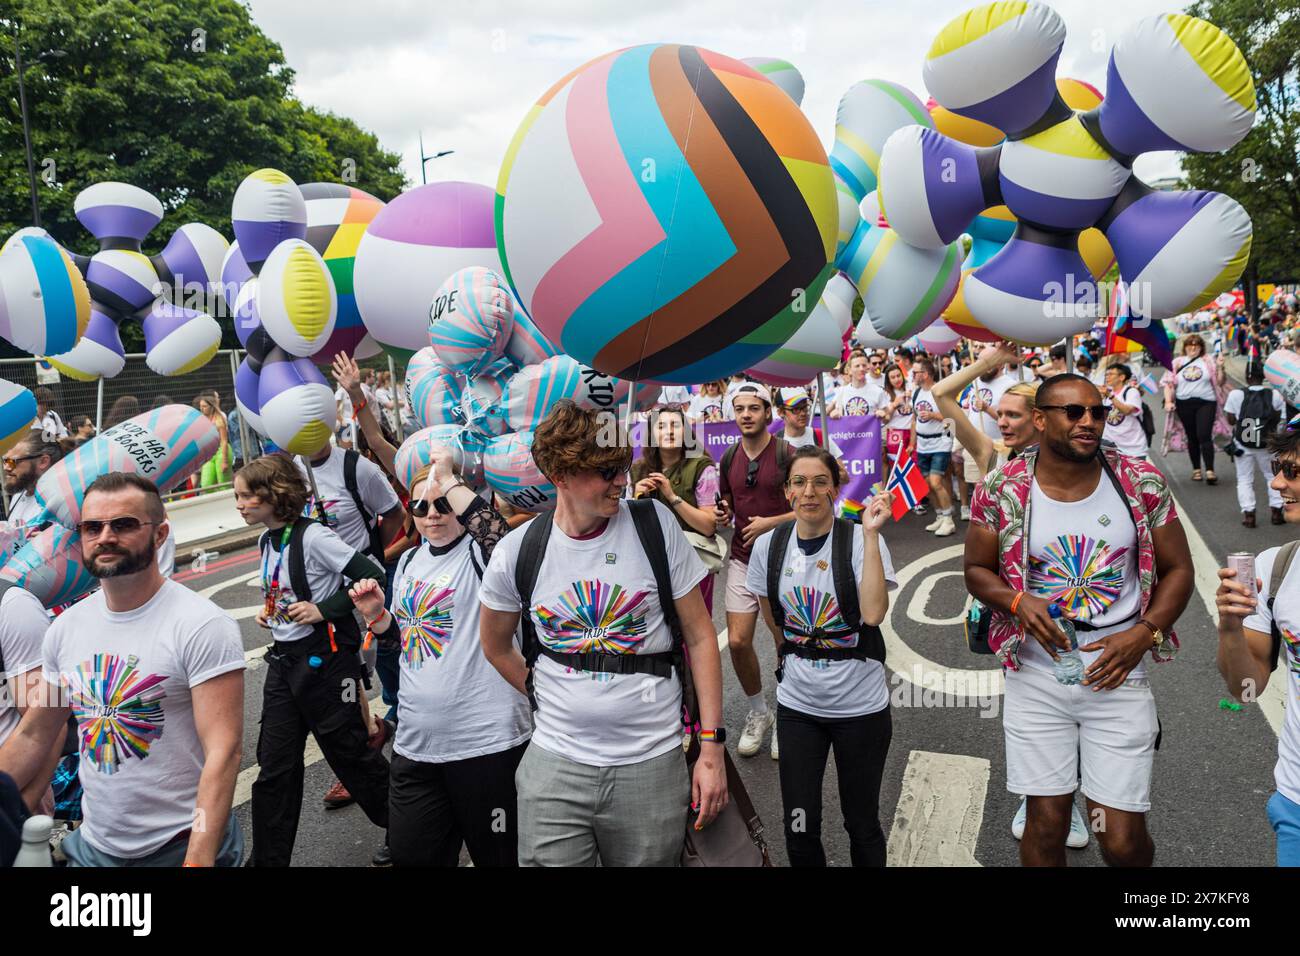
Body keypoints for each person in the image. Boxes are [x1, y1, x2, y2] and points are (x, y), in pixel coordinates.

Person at [479, 400, 728, 866]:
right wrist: (544, 694)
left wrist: (711, 748)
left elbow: (699, 637)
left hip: (650, 765)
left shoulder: (655, 527)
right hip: (554, 767)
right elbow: (494, 645)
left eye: (622, 466)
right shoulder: (518, 551)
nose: (622, 481)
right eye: (605, 471)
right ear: (561, 475)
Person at [965, 373, 1194, 867]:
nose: (1089, 421)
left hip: (1118, 673)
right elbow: (976, 570)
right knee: (1046, 827)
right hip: (1037, 676)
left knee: (1121, 840)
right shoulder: (1001, 488)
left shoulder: (1140, 481)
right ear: (1042, 419)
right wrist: (1015, 601)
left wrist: (1144, 633)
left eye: (1097, 412)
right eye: (1074, 412)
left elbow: (1180, 569)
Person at [0, 472, 245, 866]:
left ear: (160, 534)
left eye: (124, 524)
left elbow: (225, 752)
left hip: (180, 845)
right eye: (92, 527)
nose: (105, 537)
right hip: (95, 849)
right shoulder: (63, 630)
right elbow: (35, 733)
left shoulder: (202, 625)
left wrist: (199, 856)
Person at [349, 447, 528, 867]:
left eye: (444, 503)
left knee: (500, 859)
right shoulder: (409, 561)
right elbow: (414, 645)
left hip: (486, 746)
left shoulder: (482, 556)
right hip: (417, 748)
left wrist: (447, 478)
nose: (432, 513)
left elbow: (496, 534)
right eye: (421, 505)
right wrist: (380, 620)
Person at [235, 454, 390, 867]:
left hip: (325, 662)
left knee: (351, 756)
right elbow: (281, 589)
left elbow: (372, 574)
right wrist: (267, 612)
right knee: (275, 767)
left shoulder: (315, 536)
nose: (239, 504)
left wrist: (325, 609)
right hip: (284, 663)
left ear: (274, 495)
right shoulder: (266, 540)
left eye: (246, 496)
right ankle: (268, 861)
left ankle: (408, 827)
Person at [748, 447, 896, 866]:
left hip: (861, 709)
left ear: (835, 488)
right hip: (798, 708)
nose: (809, 491)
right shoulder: (769, 547)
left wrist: (869, 533)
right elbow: (772, 617)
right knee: (798, 822)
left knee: (862, 821)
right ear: (786, 490)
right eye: (799, 482)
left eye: (819, 481)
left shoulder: (859, 539)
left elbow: (872, 614)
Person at [1215, 423, 1300, 864]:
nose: (1278, 483)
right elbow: (1245, 690)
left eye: (1292, 471)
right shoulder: (1277, 567)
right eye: (1276, 468)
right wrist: (1230, 624)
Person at [715, 383, 796, 759]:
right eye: (739, 409)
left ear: (768, 412)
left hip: (784, 562)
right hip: (741, 559)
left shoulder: (787, 454)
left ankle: (787, 714)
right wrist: (722, 513)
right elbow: (728, 505)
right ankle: (759, 712)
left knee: (784, 643)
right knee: (736, 641)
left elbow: (813, 508)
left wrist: (771, 523)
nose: (746, 415)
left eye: (753, 408)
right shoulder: (728, 456)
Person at [632, 407, 725, 614]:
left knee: (694, 630)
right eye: (662, 426)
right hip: (653, 561)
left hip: (694, 560)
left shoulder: (702, 467)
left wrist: (672, 496)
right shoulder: (638, 469)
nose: (669, 431)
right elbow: (630, 523)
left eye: (675, 425)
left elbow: (709, 526)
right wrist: (635, 497)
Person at [1224, 360, 1285, 527]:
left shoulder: (1236, 395)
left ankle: (1249, 515)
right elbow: (1282, 420)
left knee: (1244, 479)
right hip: (1268, 444)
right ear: (1263, 376)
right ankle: (1276, 512)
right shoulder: (1275, 395)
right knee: (1272, 476)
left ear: (1246, 376)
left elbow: (1230, 420)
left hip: (1243, 444)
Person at [1165, 333, 1226, 483]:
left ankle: (1210, 470)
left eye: (1196, 344)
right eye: (1190, 344)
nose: (1193, 347)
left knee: (1203, 435)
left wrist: (1220, 367)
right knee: (1192, 436)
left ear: (1201, 347)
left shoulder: (1208, 361)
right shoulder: (1177, 362)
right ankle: (1196, 470)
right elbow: (1168, 383)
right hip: (1183, 403)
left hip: (1206, 402)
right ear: (1185, 347)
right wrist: (1168, 401)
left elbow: (1220, 382)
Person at [909, 357, 956, 536]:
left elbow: (952, 417)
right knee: (928, 484)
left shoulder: (939, 392)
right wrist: (912, 443)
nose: (912, 376)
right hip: (923, 445)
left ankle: (949, 519)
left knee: (936, 482)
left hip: (940, 443)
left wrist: (949, 443)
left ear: (926, 374)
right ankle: (940, 516)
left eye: (915, 372)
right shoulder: (916, 393)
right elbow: (914, 420)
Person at [778, 388, 849, 483]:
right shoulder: (776, 443)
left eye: (805, 407)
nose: (803, 413)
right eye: (796, 409)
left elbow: (844, 477)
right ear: (781, 412)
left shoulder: (819, 436)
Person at [1101, 363, 1149, 460]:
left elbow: (1127, 410)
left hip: (1133, 449)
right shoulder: (1106, 393)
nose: (1107, 377)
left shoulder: (1131, 392)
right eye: (1106, 374)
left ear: (1122, 377)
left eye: (1111, 374)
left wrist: (1110, 396)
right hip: (1110, 447)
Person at [828, 351, 884, 419]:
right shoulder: (842, 392)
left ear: (867, 368)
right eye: (857, 366)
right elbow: (836, 414)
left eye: (864, 365)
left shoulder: (878, 390)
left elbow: (887, 418)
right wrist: (833, 415)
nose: (861, 369)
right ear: (849, 370)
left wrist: (884, 416)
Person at [197, 391, 232, 489]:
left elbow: (224, 440)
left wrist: (224, 460)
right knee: (206, 485)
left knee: (224, 484)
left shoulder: (219, 418)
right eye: (200, 406)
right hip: (208, 454)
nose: (201, 409)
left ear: (211, 406)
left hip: (221, 451)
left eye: (204, 406)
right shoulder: (200, 420)